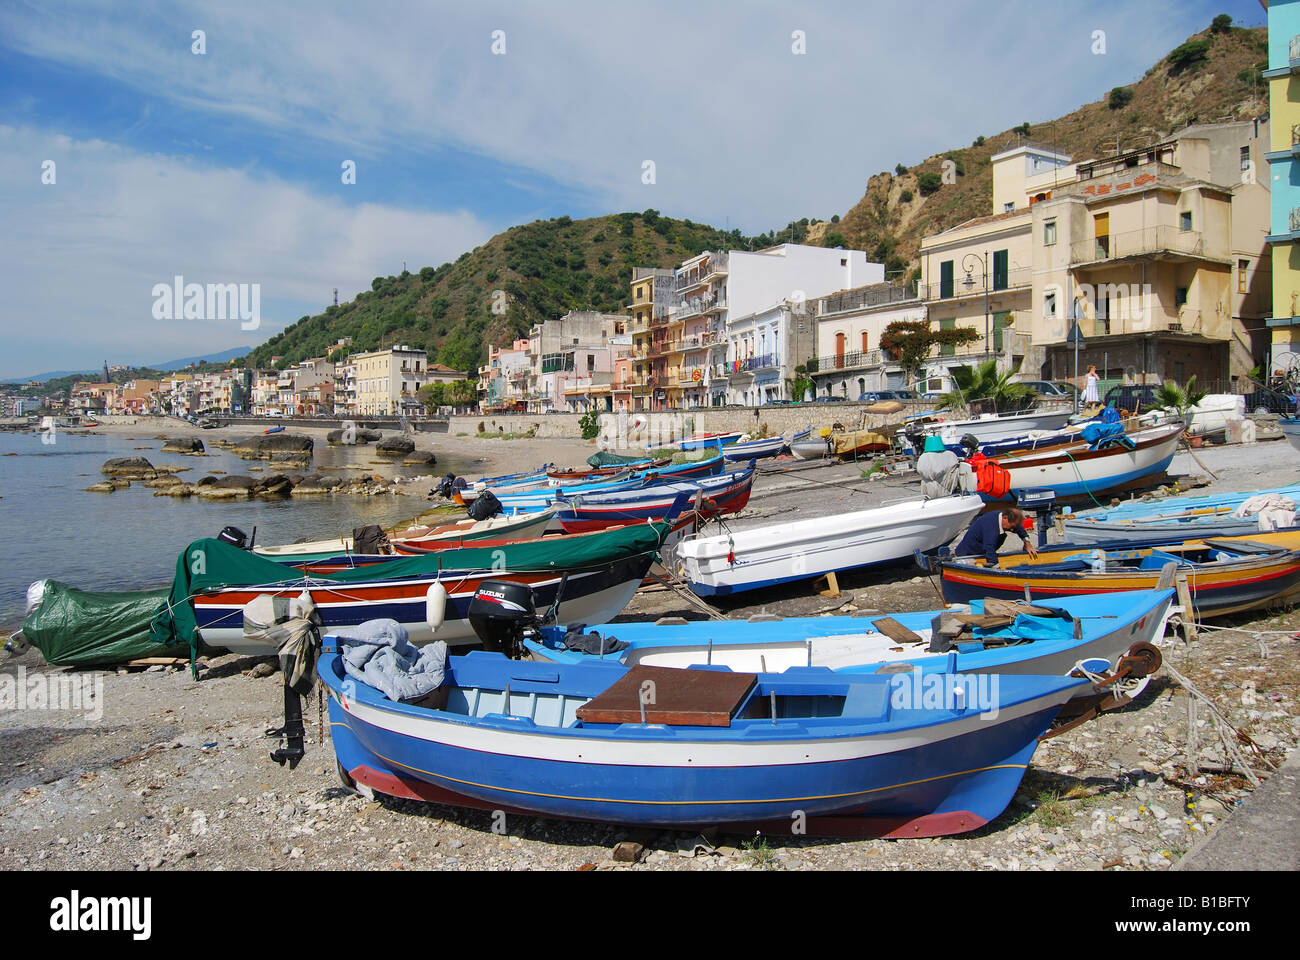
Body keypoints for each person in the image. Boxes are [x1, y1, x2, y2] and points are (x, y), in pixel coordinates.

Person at [954, 507, 1039, 564]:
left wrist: (1027, 543)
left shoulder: (1005, 518)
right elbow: (989, 548)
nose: (1012, 530)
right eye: (1011, 527)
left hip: (982, 553)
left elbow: (1018, 528)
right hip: (967, 554)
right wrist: (997, 567)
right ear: (1005, 518)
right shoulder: (990, 525)